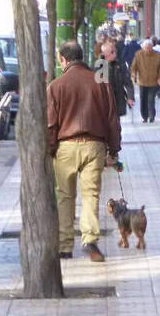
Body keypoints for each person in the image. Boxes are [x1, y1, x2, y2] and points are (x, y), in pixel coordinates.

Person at [47, 40, 122, 262]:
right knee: (91, 195)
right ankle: (89, 239)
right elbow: (112, 118)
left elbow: (51, 124)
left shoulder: (55, 86)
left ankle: (64, 245)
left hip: (66, 147)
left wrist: (51, 149)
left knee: (64, 196)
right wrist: (114, 150)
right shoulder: (99, 82)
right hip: (94, 145)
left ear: (63, 59)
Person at [95, 36, 135, 118]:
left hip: (118, 99)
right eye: (112, 52)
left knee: (116, 125)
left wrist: (130, 97)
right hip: (104, 102)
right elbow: (96, 85)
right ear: (105, 54)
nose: (115, 54)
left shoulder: (120, 64)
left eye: (114, 51)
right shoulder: (99, 65)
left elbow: (127, 82)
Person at [130, 38, 160, 123]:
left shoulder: (158, 55)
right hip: (142, 81)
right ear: (143, 47)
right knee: (143, 99)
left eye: (150, 47)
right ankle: (144, 116)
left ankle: (151, 116)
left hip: (154, 81)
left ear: (152, 47)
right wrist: (134, 75)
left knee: (151, 99)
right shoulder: (138, 54)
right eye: (146, 48)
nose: (148, 49)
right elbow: (134, 67)